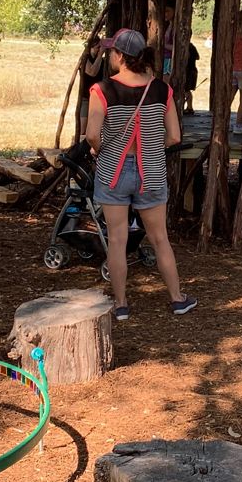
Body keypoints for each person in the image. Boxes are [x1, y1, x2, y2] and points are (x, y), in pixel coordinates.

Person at [86, 28, 196, 322]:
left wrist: (100, 149)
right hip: (152, 172)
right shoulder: (162, 90)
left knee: (118, 239)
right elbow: (174, 136)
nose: (110, 55)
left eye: (112, 51)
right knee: (160, 239)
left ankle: (121, 304)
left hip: (114, 172)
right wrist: (150, 146)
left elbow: (92, 135)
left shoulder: (103, 90)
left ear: (121, 56)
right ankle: (177, 299)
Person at [77, 35, 105, 136]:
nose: (99, 50)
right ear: (91, 47)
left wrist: (100, 57)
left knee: (95, 128)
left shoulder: (102, 60)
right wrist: (100, 55)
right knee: (82, 129)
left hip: (98, 98)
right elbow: (92, 72)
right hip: (86, 97)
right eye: (98, 47)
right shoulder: (85, 58)